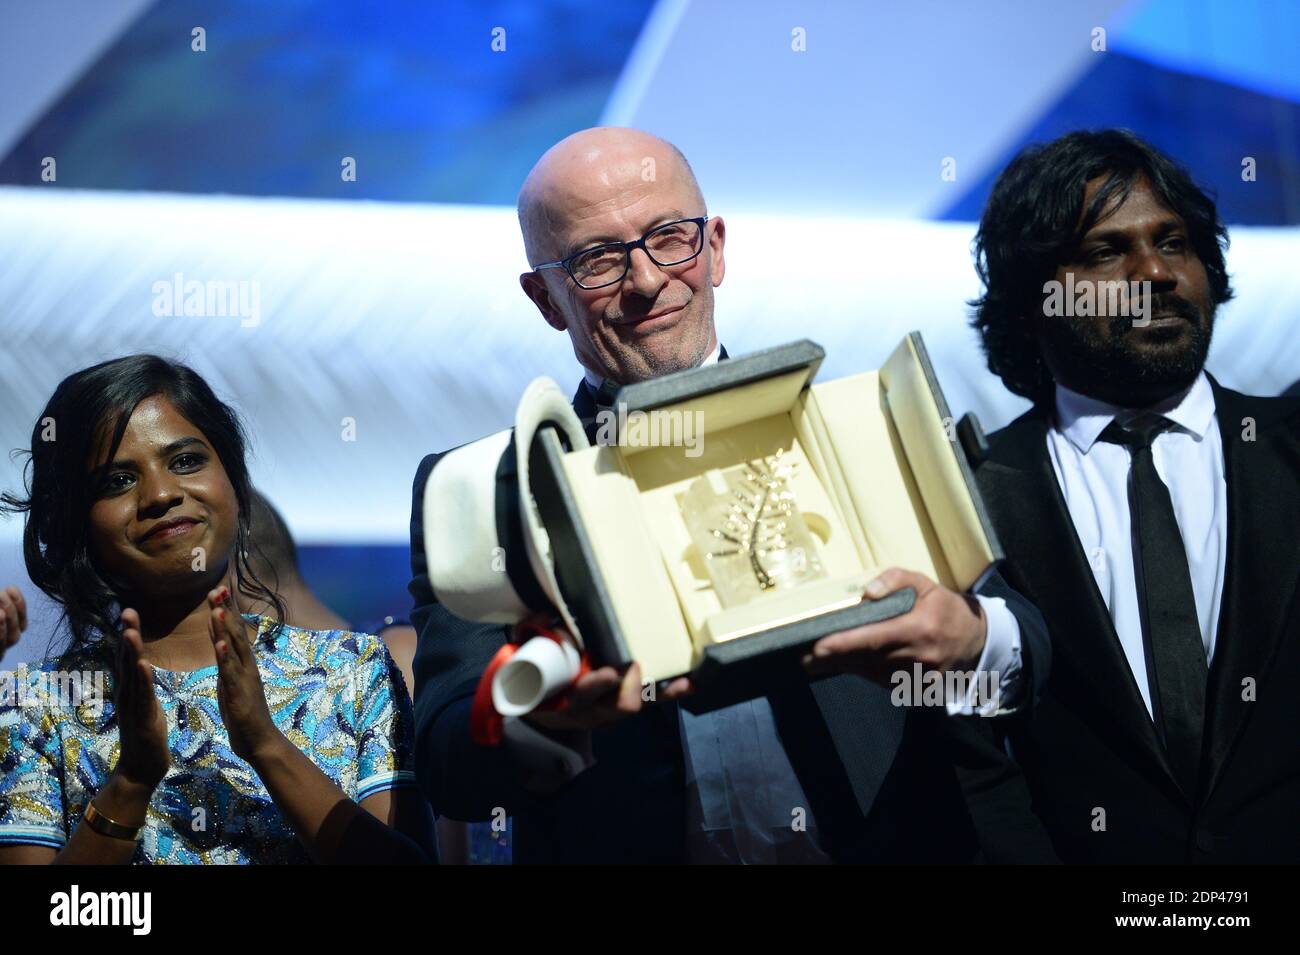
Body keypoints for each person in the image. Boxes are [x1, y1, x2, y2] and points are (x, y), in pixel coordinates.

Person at [408, 126, 1051, 863]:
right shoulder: (490, 491)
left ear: (714, 248)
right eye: (596, 260)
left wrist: (968, 640)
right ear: (545, 297)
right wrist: (533, 713)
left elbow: (1025, 656)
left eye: (668, 238)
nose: (646, 280)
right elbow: (452, 766)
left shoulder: (862, 427)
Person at [967, 129, 1300, 863]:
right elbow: (975, 772)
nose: (1155, 271)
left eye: (1174, 242)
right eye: (1107, 252)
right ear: (1031, 301)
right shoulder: (968, 498)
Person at [0, 355, 435, 864]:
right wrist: (131, 783)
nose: (161, 494)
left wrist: (265, 743)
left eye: (185, 461)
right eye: (117, 481)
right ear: (76, 524)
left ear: (232, 478)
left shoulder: (355, 670)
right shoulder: (35, 705)